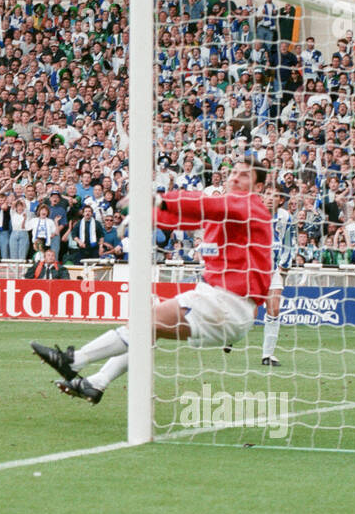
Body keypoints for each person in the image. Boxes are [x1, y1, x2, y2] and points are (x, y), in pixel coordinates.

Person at [31, 160, 271, 403]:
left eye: (244, 175)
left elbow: (202, 204)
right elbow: (184, 220)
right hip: (218, 301)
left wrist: (159, 199)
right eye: (233, 172)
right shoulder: (228, 214)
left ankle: (73, 360)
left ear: (258, 186)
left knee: (145, 321)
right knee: (147, 328)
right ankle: (96, 383)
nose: (234, 178)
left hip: (226, 303)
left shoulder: (249, 205)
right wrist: (148, 215)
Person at [258, 190, 297, 366]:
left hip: (273, 270)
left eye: (274, 195)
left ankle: (267, 355)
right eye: (267, 194)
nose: (269, 198)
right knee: (246, 310)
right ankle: (230, 335)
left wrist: (284, 264)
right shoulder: (253, 213)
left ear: (281, 200)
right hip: (251, 269)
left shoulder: (286, 217)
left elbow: (289, 243)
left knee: (274, 309)